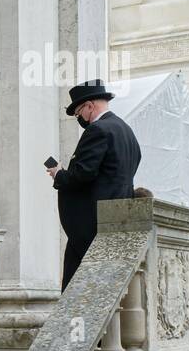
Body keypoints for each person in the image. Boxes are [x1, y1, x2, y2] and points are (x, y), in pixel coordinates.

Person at [49, 80, 141, 289]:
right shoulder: (126, 130)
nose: (79, 118)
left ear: (89, 106)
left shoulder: (98, 129)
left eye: (78, 112)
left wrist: (59, 175)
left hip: (91, 226)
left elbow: (83, 173)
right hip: (115, 222)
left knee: (77, 290)